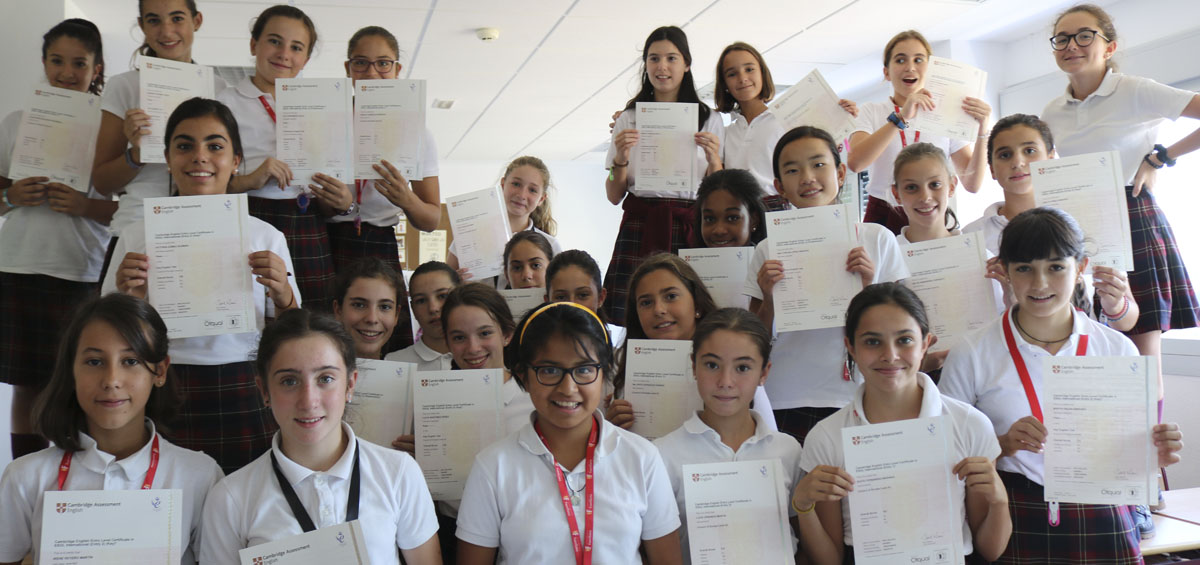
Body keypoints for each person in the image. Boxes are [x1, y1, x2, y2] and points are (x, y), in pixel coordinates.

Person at [940, 207, 1185, 564]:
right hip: (1011, 511)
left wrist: (1151, 456)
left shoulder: (1116, 348)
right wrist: (1002, 445)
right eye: (1024, 268)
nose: (1040, 283)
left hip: (1101, 511)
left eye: (1056, 267)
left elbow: (1130, 453)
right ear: (1004, 270)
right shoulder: (973, 350)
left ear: (1081, 266)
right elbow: (946, 453)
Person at [104, 97, 299, 473]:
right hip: (161, 383)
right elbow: (108, 335)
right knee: (166, 504)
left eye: (215, 145)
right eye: (184, 145)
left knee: (244, 508)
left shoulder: (266, 237)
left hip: (242, 384)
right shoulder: (135, 236)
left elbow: (292, 332)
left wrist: (284, 296)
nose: (200, 156)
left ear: (236, 160)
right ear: (167, 156)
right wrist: (130, 302)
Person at [1040, 3, 1200, 415]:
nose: (1071, 45)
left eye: (1084, 35)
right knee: (1090, 349)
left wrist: (1160, 158)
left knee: (1142, 361)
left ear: (1108, 46)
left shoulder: (1134, 88)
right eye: (1062, 38)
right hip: (1077, 228)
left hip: (1133, 216)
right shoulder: (1051, 112)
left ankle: (1150, 466)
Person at [199, 308, 441, 564]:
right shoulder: (231, 498)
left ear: (350, 384)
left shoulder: (398, 472)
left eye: (325, 378)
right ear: (264, 390)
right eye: (289, 381)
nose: (308, 401)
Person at [794, 282, 1011, 564]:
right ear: (851, 346)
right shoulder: (827, 437)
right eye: (872, 341)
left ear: (926, 344)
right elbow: (830, 559)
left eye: (904, 340)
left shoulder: (969, 424)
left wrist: (1000, 500)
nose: (890, 355)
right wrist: (802, 505)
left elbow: (991, 550)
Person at [0, 294, 222, 565]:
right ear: (71, 370)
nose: (112, 380)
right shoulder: (24, 477)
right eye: (94, 362)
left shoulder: (199, 475)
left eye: (130, 361)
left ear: (160, 371)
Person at [456, 301, 683, 564]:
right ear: (523, 376)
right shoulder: (493, 466)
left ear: (604, 373)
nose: (568, 388)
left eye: (584, 369)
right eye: (549, 370)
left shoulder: (642, 457)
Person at [745, 126, 910, 444]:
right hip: (786, 396)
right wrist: (768, 298)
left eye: (818, 164)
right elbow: (755, 340)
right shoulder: (767, 250)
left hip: (860, 393)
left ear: (841, 172)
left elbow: (905, 328)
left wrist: (867, 287)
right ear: (779, 186)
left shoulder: (876, 239)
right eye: (792, 170)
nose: (807, 177)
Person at [1, 18, 115, 459]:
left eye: (79, 63)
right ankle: (25, 480)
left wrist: (84, 205)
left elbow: (132, 209)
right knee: (28, 384)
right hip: (19, 263)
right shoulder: (15, 123)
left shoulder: (108, 128)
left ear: (97, 68)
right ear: (44, 62)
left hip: (80, 267)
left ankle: (82, 477)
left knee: (84, 381)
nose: (66, 72)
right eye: (56, 61)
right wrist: (11, 195)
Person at [654, 308, 802, 562]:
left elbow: (799, 534)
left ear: (764, 373)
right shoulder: (662, 454)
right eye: (712, 365)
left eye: (743, 367)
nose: (725, 381)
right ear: (694, 366)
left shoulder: (787, 450)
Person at [217, 4, 341, 310]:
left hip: (306, 219)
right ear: (253, 45)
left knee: (312, 316)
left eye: (296, 47)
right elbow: (209, 185)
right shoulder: (225, 103)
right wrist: (251, 178)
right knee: (256, 313)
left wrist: (339, 197)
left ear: (306, 59)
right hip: (249, 214)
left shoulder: (321, 105)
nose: (284, 53)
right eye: (274, 41)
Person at [92, 0, 225, 279]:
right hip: (138, 229)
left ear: (197, 21)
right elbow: (102, 182)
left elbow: (227, 172)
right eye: (153, 20)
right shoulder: (124, 86)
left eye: (177, 18)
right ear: (142, 25)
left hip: (202, 228)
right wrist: (136, 153)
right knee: (125, 322)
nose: (166, 31)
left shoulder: (219, 88)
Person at [968, 114, 1138, 332]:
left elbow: (1127, 320)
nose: (1017, 162)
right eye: (1004, 155)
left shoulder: (1088, 220)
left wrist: (1115, 304)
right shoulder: (972, 236)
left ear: (1050, 158)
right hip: (1004, 356)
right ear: (991, 168)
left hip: (1078, 357)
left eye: (1029, 151)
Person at [602, 26, 724, 327]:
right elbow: (613, 195)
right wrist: (620, 158)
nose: (662, 66)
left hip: (689, 223)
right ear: (646, 65)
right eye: (654, 58)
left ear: (687, 64)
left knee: (692, 315)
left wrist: (714, 159)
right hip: (641, 222)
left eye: (671, 58)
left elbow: (718, 191)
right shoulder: (629, 119)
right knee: (640, 315)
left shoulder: (709, 118)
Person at [332, 25, 443, 346]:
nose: (372, 73)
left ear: (397, 70)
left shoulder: (416, 131)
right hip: (327, 240)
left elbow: (430, 219)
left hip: (379, 241)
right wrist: (333, 201)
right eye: (361, 63)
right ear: (347, 69)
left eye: (383, 63)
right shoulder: (327, 121)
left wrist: (405, 198)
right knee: (327, 341)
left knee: (384, 343)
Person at [608, 253, 776, 432]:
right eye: (646, 302)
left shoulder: (733, 360)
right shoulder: (623, 366)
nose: (658, 310)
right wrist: (612, 428)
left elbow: (768, 439)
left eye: (671, 296)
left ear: (697, 305)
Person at [847, 29, 989, 234]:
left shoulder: (948, 113)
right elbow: (856, 162)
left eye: (919, 60)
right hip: (884, 213)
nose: (910, 68)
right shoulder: (872, 111)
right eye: (900, 60)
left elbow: (972, 183)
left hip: (931, 211)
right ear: (886, 72)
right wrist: (900, 118)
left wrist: (982, 131)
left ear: (931, 68)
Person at [715, 41, 856, 211]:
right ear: (725, 85)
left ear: (762, 73)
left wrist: (840, 118)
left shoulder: (786, 119)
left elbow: (823, 153)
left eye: (749, 69)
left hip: (780, 208)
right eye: (732, 74)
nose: (742, 78)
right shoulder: (726, 131)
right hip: (739, 210)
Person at [448, 156, 561, 282]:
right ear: (502, 185)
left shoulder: (551, 245)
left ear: (541, 199)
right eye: (516, 184)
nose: (522, 195)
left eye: (532, 190)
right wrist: (454, 281)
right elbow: (445, 285)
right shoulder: (469, 236)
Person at [385, 261, 460, 371]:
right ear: (413, 308)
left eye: (442, 296)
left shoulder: (478, 358)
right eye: (421, 300)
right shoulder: (394, 363)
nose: (433, 308)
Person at [546, 249, 627, 348]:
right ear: (547, 302)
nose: (573, 305)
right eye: (561, 297)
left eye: (583, 295)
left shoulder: (622, 344)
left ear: (601, 298)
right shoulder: (536, 350)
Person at [332, 257, 404, 360]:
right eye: (359, 305)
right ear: (338, 310)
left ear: (396, 315)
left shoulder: (408, 373)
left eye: (385, 307)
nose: (372, 319)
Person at [691, 168, 767, 249]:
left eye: (732, 218)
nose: (719, 231)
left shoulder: (771, 258)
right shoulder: (686, 261)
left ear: (754, 220)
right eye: (709, 219)